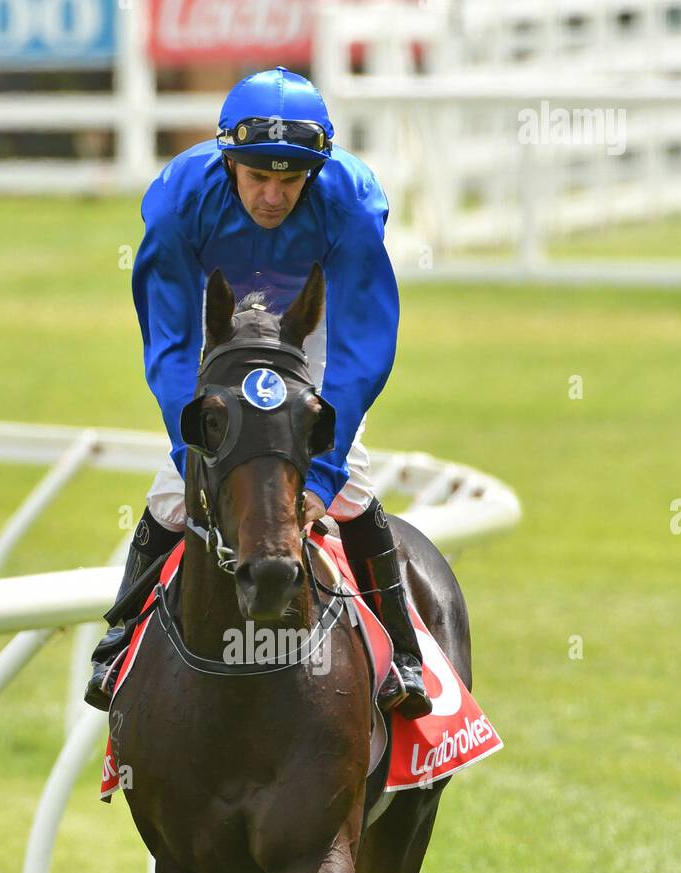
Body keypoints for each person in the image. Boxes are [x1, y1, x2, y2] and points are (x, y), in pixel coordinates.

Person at [85, 65, 431, 718]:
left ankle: (406, 657)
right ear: (228, 162)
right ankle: (119, 638)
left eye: (291, 181)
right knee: (174, 489)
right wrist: (194, 452)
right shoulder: (177, 201)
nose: (273, 198)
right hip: (216, 324)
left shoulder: (352, 201)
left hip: (309, 318)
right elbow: (169, 348)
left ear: (316, 174)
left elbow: (363, 349)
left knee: (350, 480)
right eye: (258, 178)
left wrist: (322, 475)